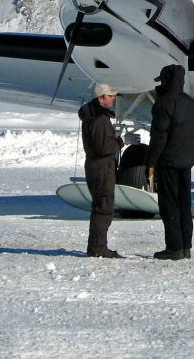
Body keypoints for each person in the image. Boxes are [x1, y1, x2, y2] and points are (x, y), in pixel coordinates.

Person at [145, 64, 194, 260]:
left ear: (166, 80)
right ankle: (186, 246)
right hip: (186, 161)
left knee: (169, 204)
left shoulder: (163, 103)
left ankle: (174, 247)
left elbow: (158, 136)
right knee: (184, 203)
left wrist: (150, 162)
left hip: (168, 161)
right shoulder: (192, 103)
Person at [78, 82, 123, 258]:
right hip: (102, 167)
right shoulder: (100, 119)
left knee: (100, 205)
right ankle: (98, 248)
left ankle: (96, 246)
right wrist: (120, 142)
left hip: (96, 166)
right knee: (104, 206)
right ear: (100, 98)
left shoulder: (93, 116)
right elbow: (104, 147)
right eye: (110, 96)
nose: (113, 99)